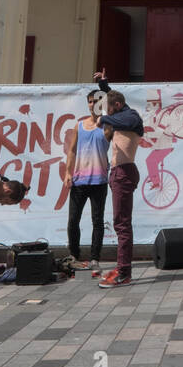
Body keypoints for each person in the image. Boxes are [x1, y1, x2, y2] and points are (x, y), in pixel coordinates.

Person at [92, 80, 144, 288]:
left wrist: (103, 118)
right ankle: (122, 268)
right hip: (118, 173)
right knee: (120, 222)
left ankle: (124, 272)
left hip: (124, 173)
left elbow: (126, 118)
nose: (109, 114)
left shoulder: (132, 118)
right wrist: (104, 86)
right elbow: (118, 104)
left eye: (110, 109)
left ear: (119, 106)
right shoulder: (123, 113)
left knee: (122, 224)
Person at [64, 89, 111, 270]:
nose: (93, 104)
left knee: (97, 221)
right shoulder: (80, 125)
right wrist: (68, 173)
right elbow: (72, 150)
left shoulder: (108, 127)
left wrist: (105, 87)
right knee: (73, 220)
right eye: (90, 101)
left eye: (97, 101)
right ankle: (74, 255)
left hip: (99, 181)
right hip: (79, 181)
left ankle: (94, 258)